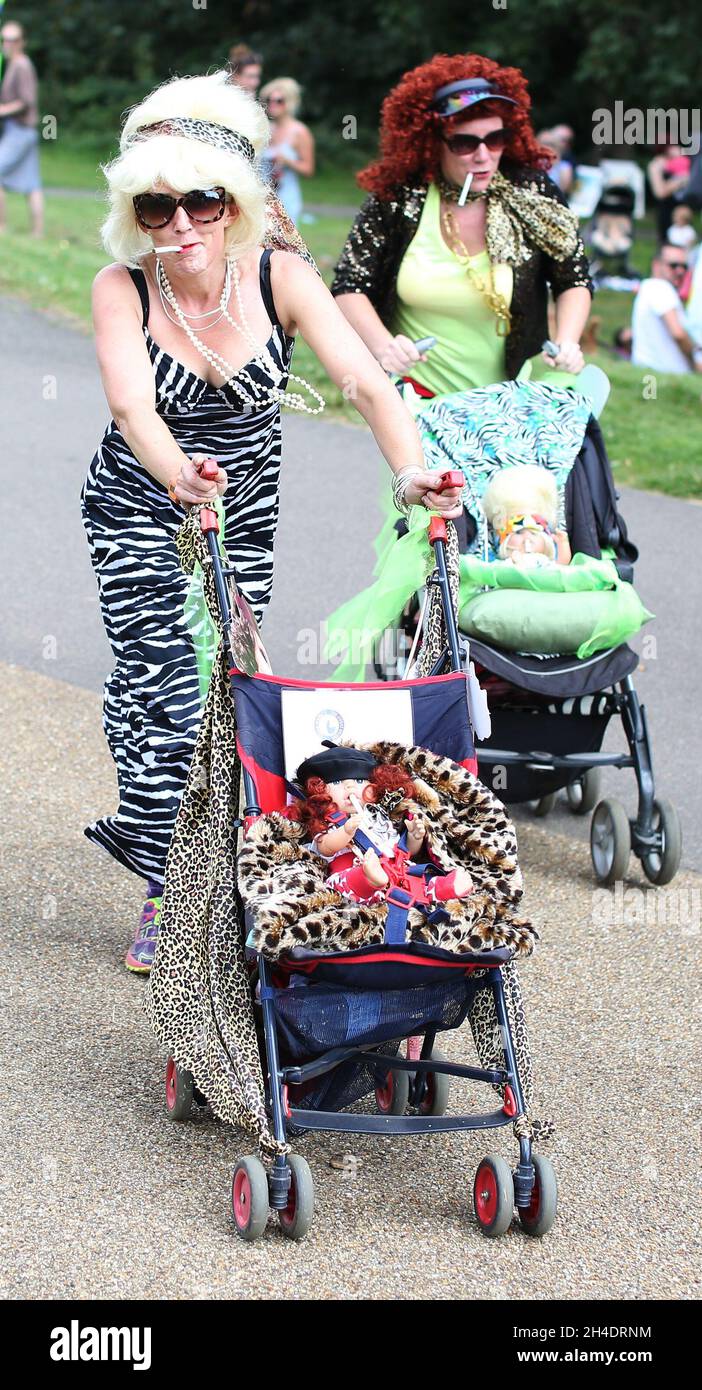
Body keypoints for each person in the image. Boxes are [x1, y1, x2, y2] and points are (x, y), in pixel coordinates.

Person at [81, 70, 463, 973]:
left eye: (202, 202)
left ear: (237, 203)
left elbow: (366, 381)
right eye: (156, 206)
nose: (180, 225)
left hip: (240, 513)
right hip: (141, 499)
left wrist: (411, 476)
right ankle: (169, 889)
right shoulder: (120, 288)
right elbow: (137, 412)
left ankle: (196, 854)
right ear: (134, 213)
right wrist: (181, 475)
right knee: (168, 682)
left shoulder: (283, 275)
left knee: (223, 686)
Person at [332, 54, 592, 398]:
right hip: (419, 399)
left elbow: (572, 276)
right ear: (432, 142)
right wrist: (385, 347)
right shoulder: (398, 199)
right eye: (465, 143)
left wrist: (568, 342)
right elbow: (350, 285)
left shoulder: (531, 192)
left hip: (517, 399)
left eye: (495, 139)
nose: (483, 155)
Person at [292, 744, 474, 905]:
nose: (350, 787)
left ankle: (446, 887)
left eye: (359, 781)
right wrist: (346, 832)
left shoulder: (379, 817)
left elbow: (404, 851)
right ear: (320, 791)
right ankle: (369, 879)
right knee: (338, 883)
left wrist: (414, 838)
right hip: (352, 868)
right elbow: (325, 847)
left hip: (397, 871)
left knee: (419, 880)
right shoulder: (326, 821)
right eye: (338, 783)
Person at [0, 19, 43, 236]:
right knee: (32, 184)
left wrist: (3, 110)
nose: (8, 44)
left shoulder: (21, 65)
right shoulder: (14, 64)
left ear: (22, 42)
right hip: (21, 131)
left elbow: (26, 101)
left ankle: (2, 227)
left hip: (20, 131)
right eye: (5, 39)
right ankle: (37, 232)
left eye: (13, 39)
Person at [631, 244, 702, 374]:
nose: (680, 271)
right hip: (664, 378)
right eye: (673, 265)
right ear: (656, 265)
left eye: (684, 267)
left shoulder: (648, 288)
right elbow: (678, 334)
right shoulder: (661, 287)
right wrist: (695, 362)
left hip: (650, 376)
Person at [259, 77, 314, 225]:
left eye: (279, 101)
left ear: (289, 102)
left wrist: (288, 161)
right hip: (262, 197)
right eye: (269, 100)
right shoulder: (265, 129)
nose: (272, 104)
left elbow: (308, 170)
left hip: (286, 197)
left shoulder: (299, 131)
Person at [647, 143, 690, 241]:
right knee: (667, 243)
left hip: (684, 211)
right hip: (667, 211)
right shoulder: (656, 165)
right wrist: (681, 179)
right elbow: (659, 193)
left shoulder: (684, 162)